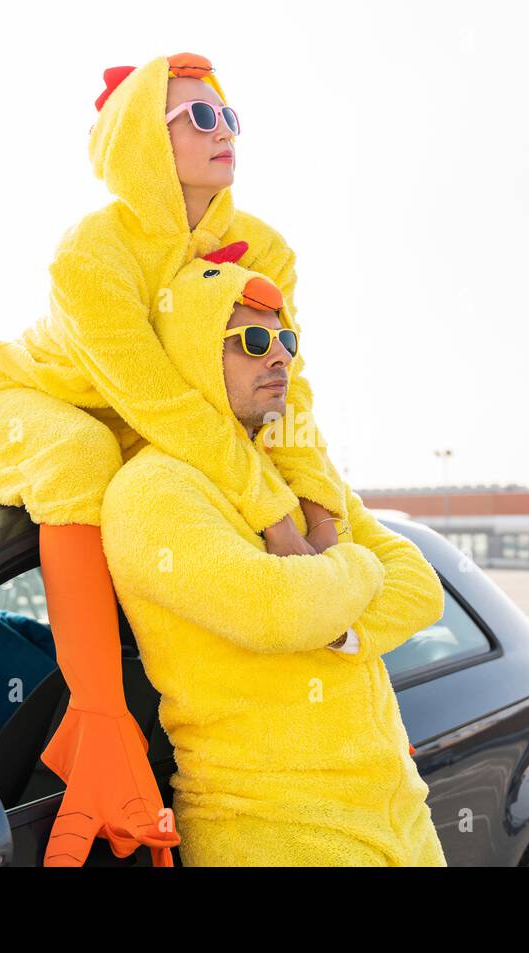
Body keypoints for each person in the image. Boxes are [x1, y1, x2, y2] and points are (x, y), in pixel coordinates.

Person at [0, 52, 348, 867]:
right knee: (87, 454)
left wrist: (322, 516)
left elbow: (283, 391)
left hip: (145, 429)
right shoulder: (90, 250)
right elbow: (159, 400)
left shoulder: (265, 248)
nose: (224, 130)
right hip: (25, 406)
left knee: (174, 478)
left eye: (229, 115)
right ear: (139, 140)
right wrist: (271, 516)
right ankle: (97, 721)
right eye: (199, 116)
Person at [99, 241, 448, 866]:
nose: (279, 358)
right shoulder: (155, 490)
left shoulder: (298, 474)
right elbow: (278, 610)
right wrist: (355, 565)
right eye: (252, 344)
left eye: (286, 342)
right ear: (192, 355)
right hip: (271, 825)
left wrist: (341, 629)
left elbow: (422, 588)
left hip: (400, 813)